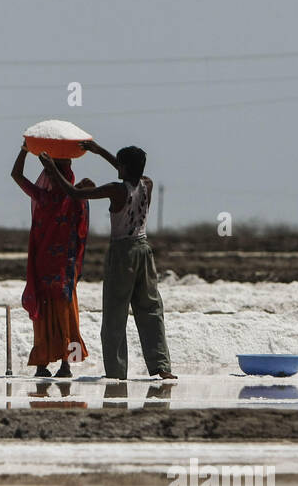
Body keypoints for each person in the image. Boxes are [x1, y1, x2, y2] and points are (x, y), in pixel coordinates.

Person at [37, 140, 176, 381]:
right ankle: (161, 366)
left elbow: (75, 193)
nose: (117, 168)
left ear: (123, 168)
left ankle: (116, 371)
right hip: (144, 251)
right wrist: (99, 151)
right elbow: (129, 171)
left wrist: (51, 169)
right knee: (151, 310)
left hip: (122, 253)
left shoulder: (116, 189)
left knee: (115, 313)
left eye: (119, 165)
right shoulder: (147, 184)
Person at [10, 143, 93, 377]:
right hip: (64, 270)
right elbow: (82, 234)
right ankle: (64, 364)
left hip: (47, 267)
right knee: (64, 313)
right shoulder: (77, 198)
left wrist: (25, 150)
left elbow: (16, 175)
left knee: (45, 314)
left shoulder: (45, 197)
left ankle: (42, 364)